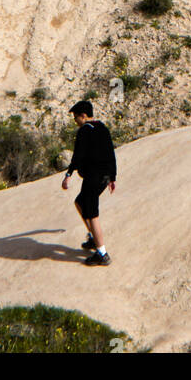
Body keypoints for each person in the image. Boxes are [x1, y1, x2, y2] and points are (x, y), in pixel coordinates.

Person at [61, 99, 117, 265]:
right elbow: (110, 153)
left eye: (76, 117)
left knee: (92, 214)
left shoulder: (85, 131)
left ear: (83, 116)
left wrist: (68, 174)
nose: (75, 121)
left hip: (94, 177)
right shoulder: (102, 127)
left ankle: (102, 254)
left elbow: (77, 155)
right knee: (80, 202)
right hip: (104, 176)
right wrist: (112, 178)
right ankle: (93, 238)